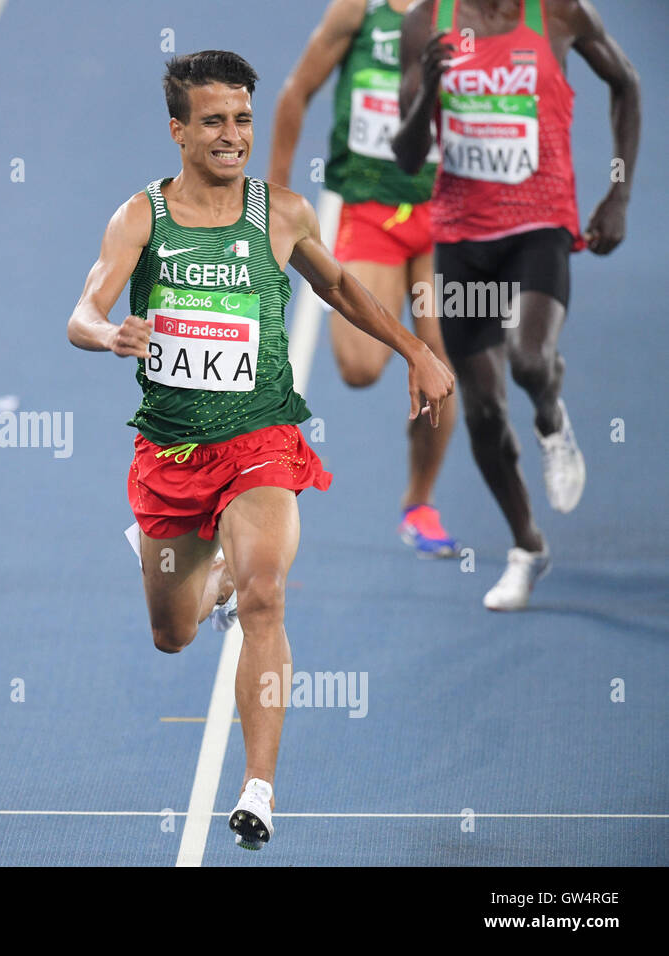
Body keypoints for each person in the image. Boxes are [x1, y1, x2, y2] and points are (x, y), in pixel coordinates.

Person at [67, 51, 453, 850]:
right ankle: (198, 576)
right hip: (172, 453)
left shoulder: (281, 212)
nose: (233, 135)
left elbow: (343, 289)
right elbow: (83, 308)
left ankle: (259, 788)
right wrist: (111, 334)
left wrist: (414, 350)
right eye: (213, 121)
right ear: (178, 130)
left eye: (242, 119)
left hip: (261, 440)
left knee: (267, 593)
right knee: (172, 634)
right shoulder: (141, 217)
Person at [393, 0, 638, 609]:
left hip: (540, 226)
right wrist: (428, 89)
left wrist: (618, 194)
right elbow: (405, 155)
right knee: (481, 413)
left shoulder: (559, 14)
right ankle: (527, 546)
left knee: (530, 361)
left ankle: (553, 421)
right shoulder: (426, 22)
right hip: (461, 238)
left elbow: (625, 84)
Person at [270, 0, 459, 557]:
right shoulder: (359, 10)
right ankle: (398, 304)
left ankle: (419, 503)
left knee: (443, 367)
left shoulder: (466, 14)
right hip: (372, 207)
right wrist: (272, 200)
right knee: (357, 368)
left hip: (448, 212)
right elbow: (294, 93)